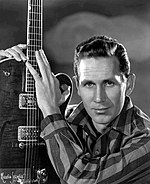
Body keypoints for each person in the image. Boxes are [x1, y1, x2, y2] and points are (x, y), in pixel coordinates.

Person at [0, 35, 150, 184]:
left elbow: (81, 179)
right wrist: (5, 67)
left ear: (129, 84)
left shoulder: (145, 140)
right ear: (77, 86)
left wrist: (51, 110)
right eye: (89, 84)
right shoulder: (59, 119)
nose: (99, 98)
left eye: (109, 83)